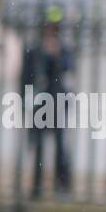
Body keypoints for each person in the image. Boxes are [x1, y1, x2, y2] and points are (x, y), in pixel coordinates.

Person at [19, 10, 73, 198]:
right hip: (39, 104)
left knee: (60, 144)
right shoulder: (34, 50)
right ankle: (37, 186)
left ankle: (62, 184)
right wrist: (24, 101)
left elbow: (69, 68)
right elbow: (26, 77)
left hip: (57, 102)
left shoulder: (63, 49)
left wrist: (56, 56)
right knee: (38, 145)